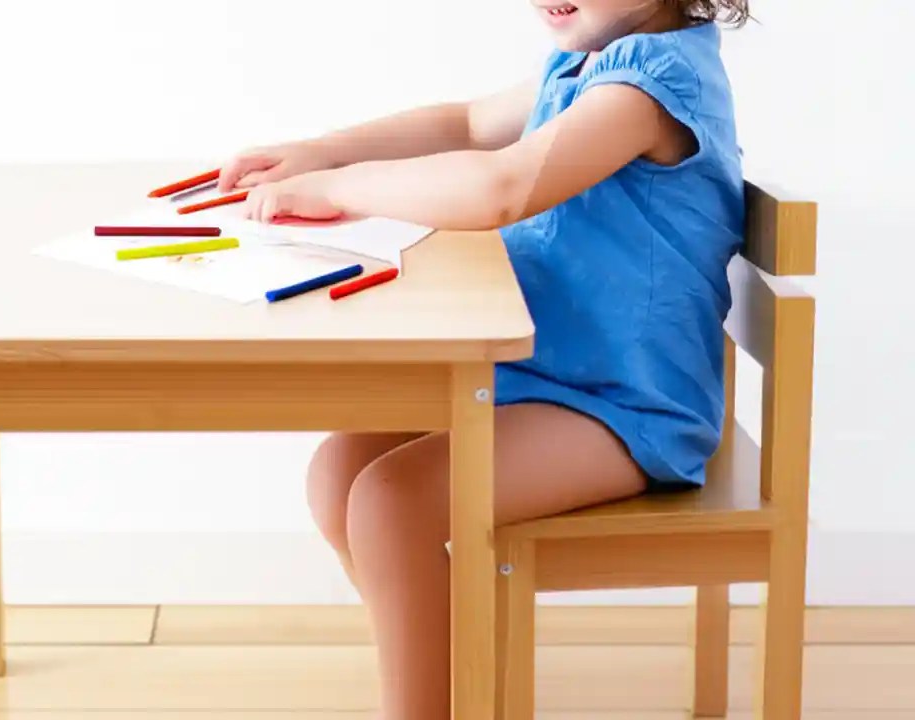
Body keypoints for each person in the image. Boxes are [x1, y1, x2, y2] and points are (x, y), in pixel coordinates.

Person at [219, 1, 750, 717]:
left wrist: (336, 189)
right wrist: (326, 150)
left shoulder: (650, 85)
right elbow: (465, 124)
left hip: (629, 407)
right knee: (339, 470)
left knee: (390, 501)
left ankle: (434, 701)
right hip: (544, 375)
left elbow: (502, 187)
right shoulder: (585, 66)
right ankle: (455, 677)